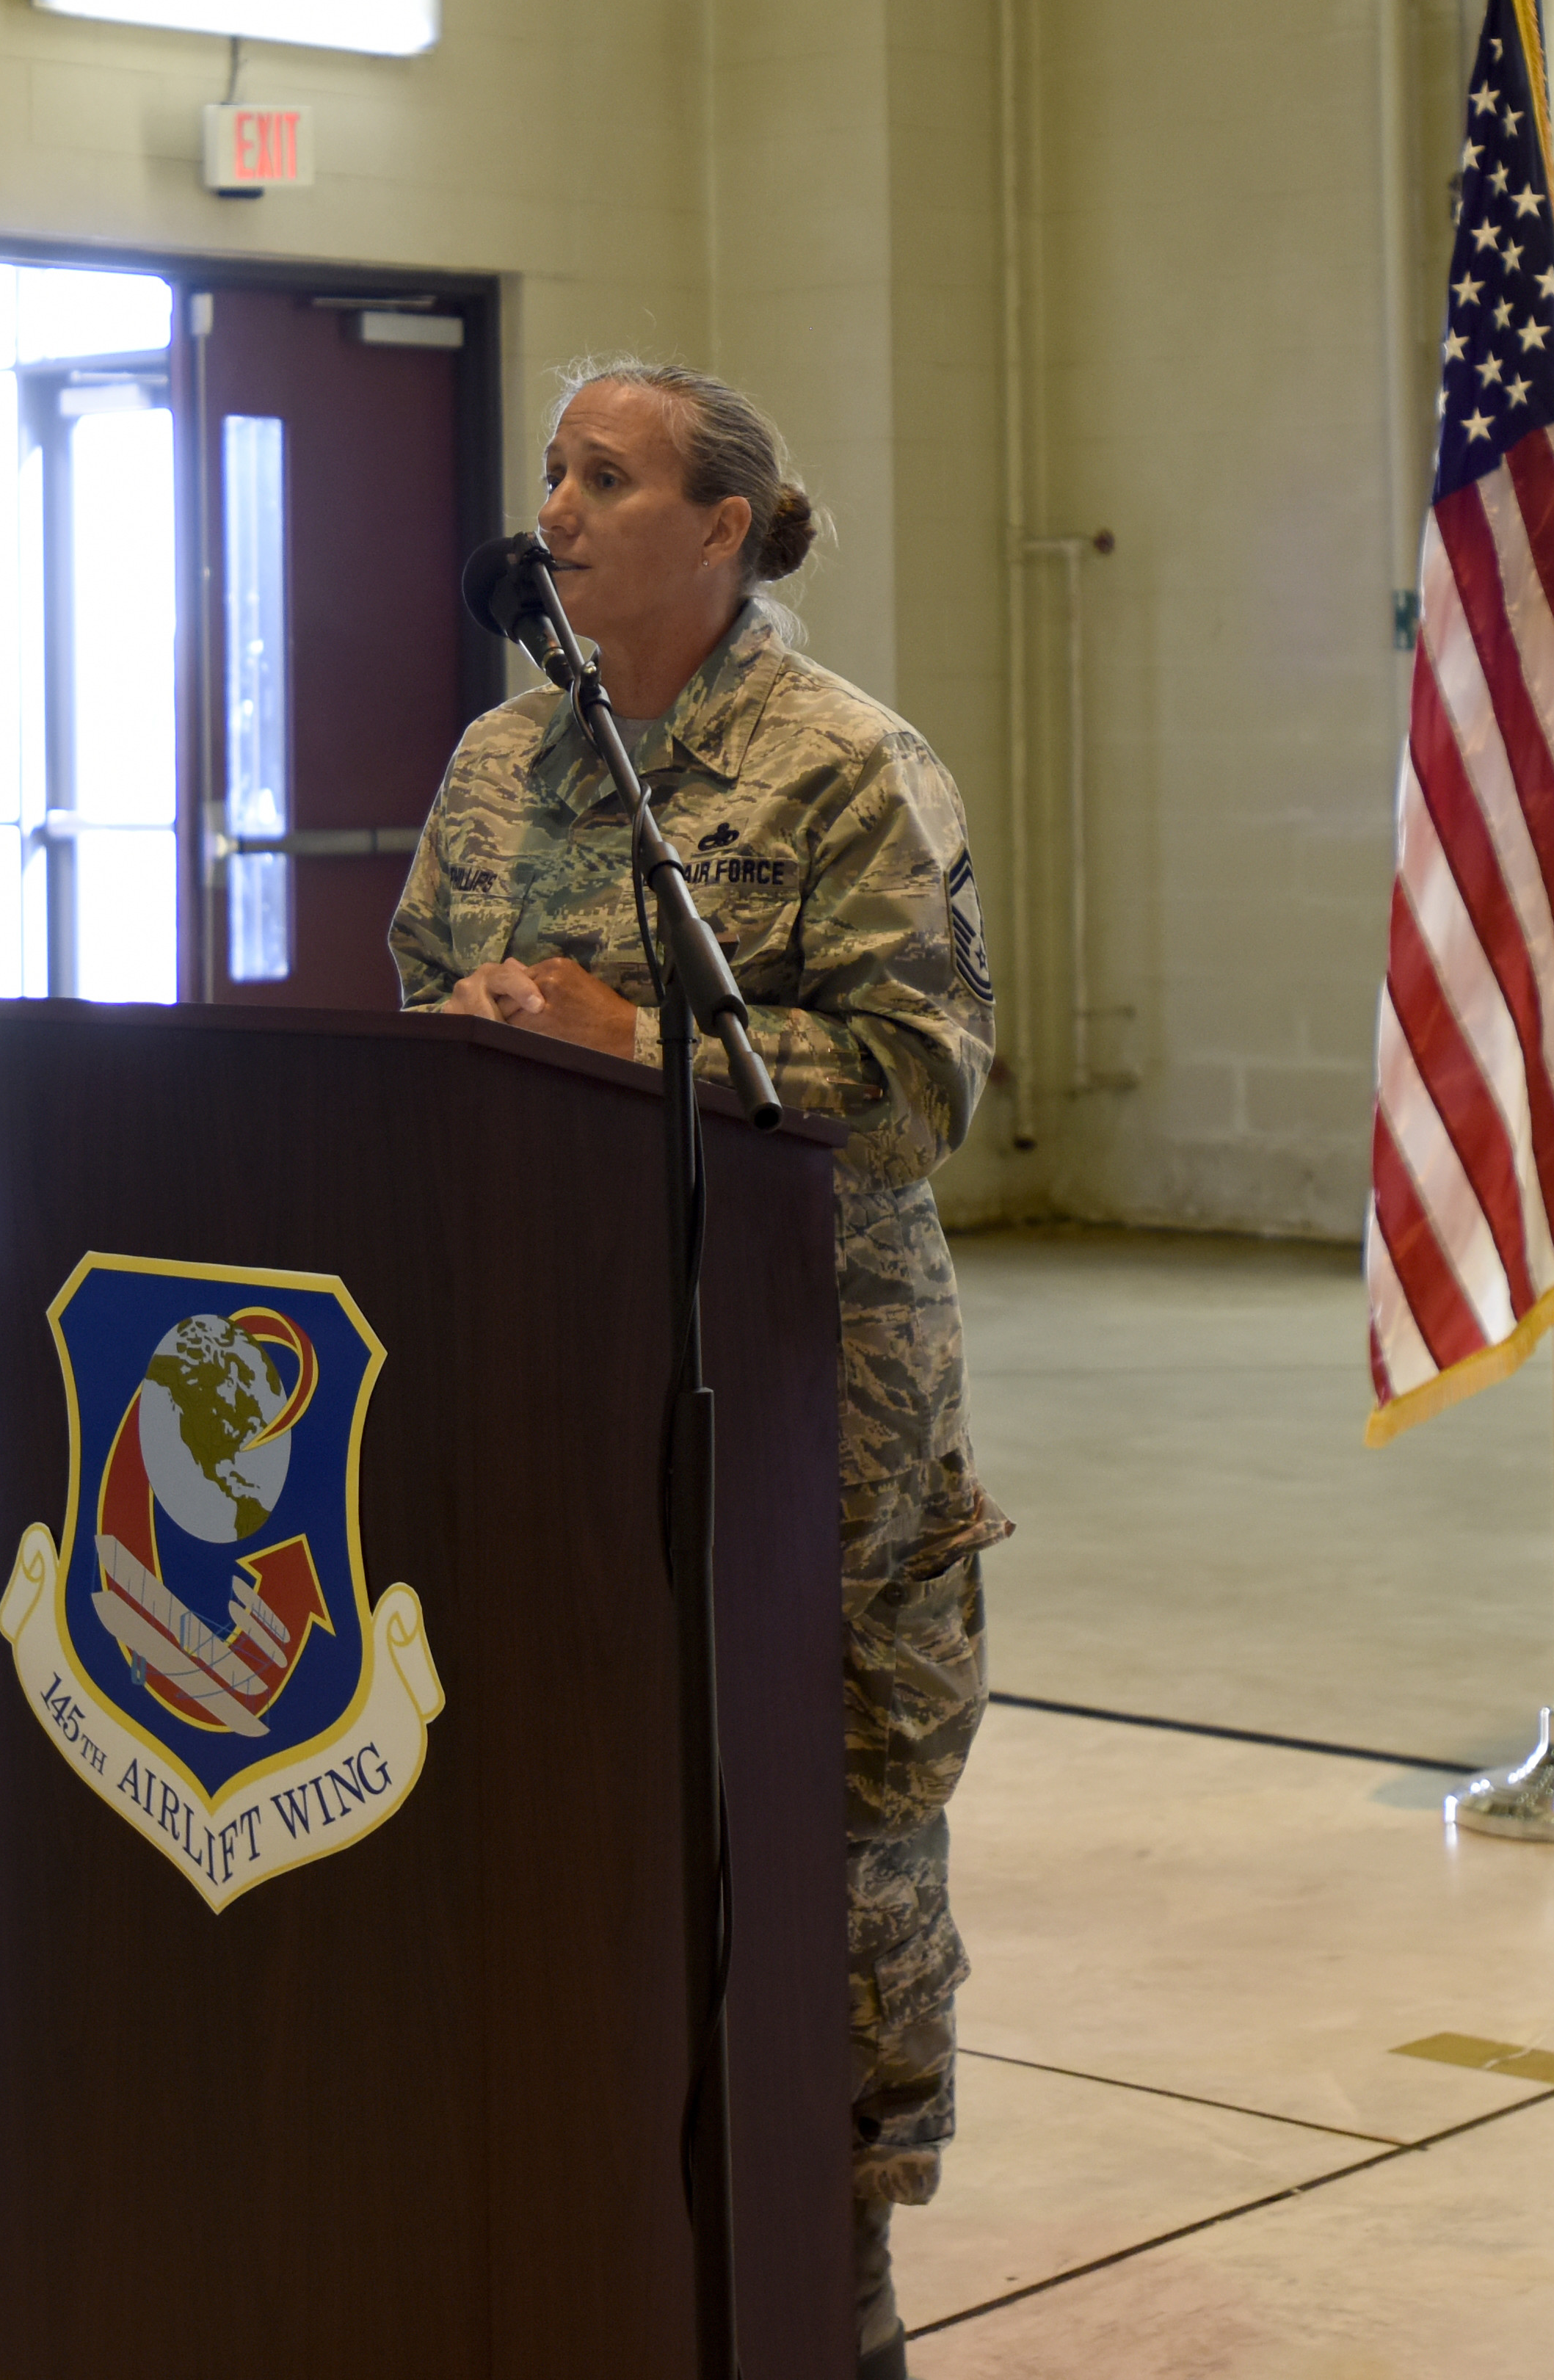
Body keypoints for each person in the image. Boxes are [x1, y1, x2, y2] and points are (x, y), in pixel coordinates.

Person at [390, 360, 1004, 2380]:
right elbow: (415, 1003)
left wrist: (630, 1045)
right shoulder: (497, 769)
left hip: (820, 1418)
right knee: (576, 1849)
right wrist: (477, 1018)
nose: (557, 508)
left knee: (830, 1857)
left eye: (608, 476)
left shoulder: (846, 766)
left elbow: (922, 1090)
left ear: (723, 530)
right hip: (551, 1401)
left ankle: (836, 2303)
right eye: (552, 475)